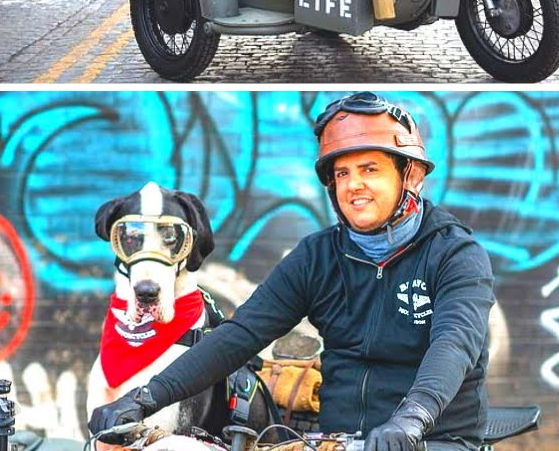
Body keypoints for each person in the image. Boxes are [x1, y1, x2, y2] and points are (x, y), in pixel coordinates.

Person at [88, 92, 496, 451]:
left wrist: (413, 420)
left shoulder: (455, 253)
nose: (354, 186)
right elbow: (238, 336)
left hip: (432, 440)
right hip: (337, 442)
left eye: (370, 169)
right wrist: (145, 398)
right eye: (342, 173)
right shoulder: (319, 256)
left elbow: (454, 345)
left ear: (412, 176)